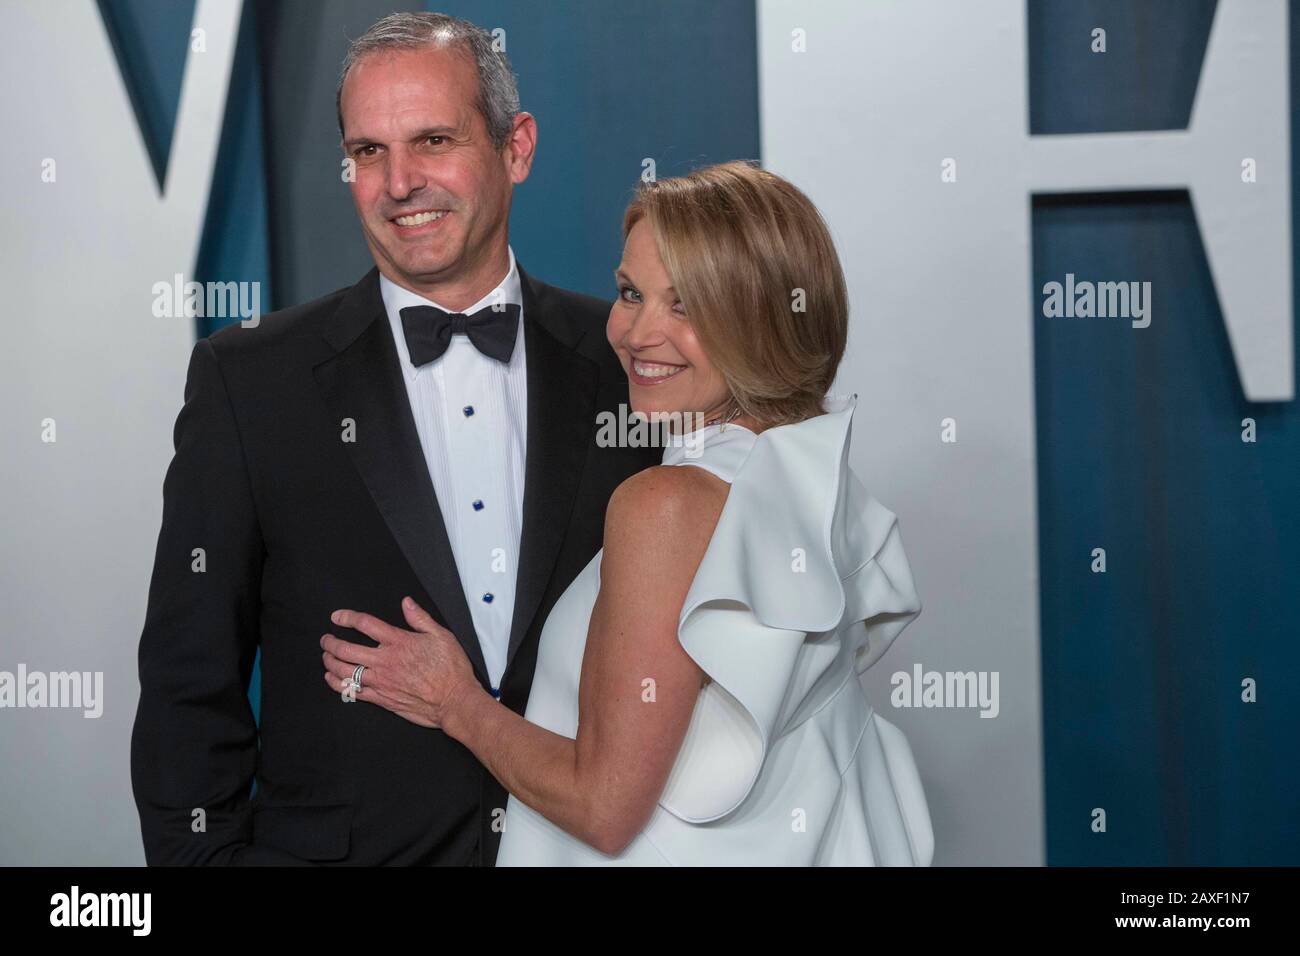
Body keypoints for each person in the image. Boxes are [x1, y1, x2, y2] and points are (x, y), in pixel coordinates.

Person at [129, 11, 659, 866]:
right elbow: (190, 689)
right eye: (368, 151)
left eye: (434, 140)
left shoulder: (632, 364)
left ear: (516, 148)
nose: (400, 181)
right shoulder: (249, 380)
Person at [321, 160, 935, 865]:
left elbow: (604, 807)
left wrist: (456, 702)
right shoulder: (815, 478)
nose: (638, 334)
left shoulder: (663, 503)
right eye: (630, 293)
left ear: (761, 319)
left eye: (688, 307)